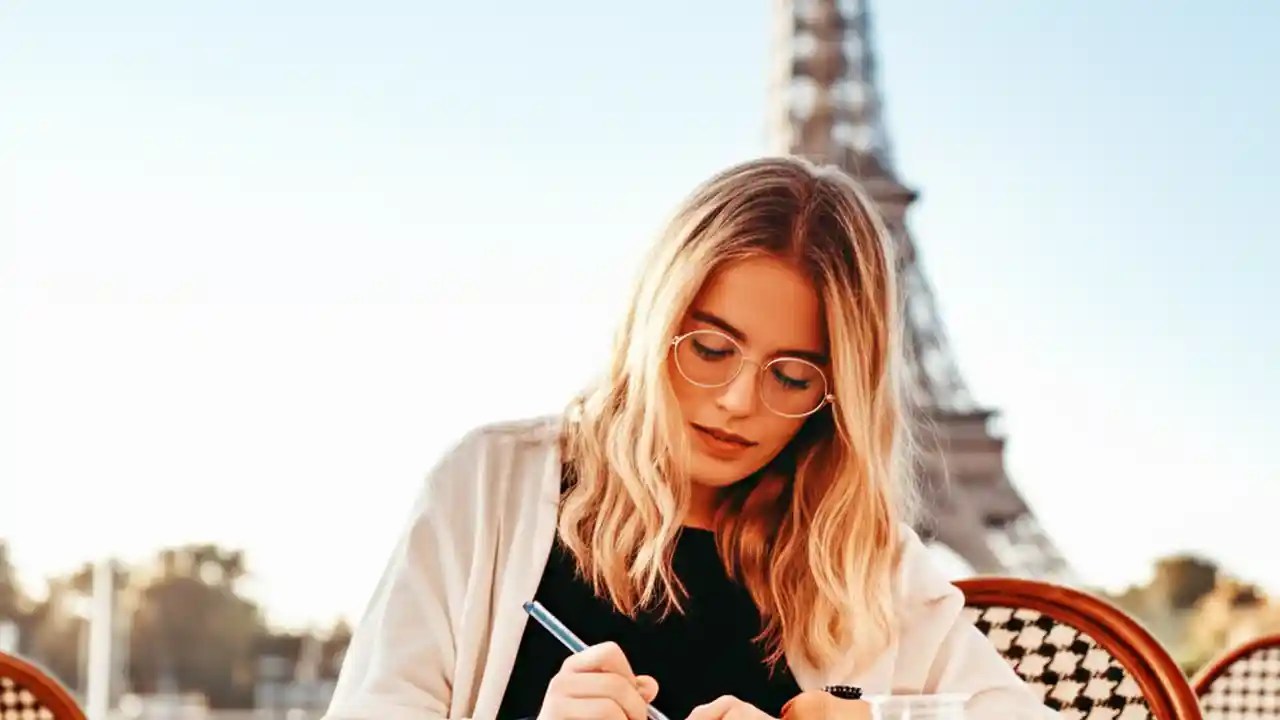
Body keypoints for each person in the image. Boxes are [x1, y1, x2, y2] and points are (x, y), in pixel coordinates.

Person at [321, 157, 1053, 720]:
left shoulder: (865, 557)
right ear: (654, 324)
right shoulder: (486, 488)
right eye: (709, 349)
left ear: (837, 399)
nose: (738, 402)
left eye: (793, 377)